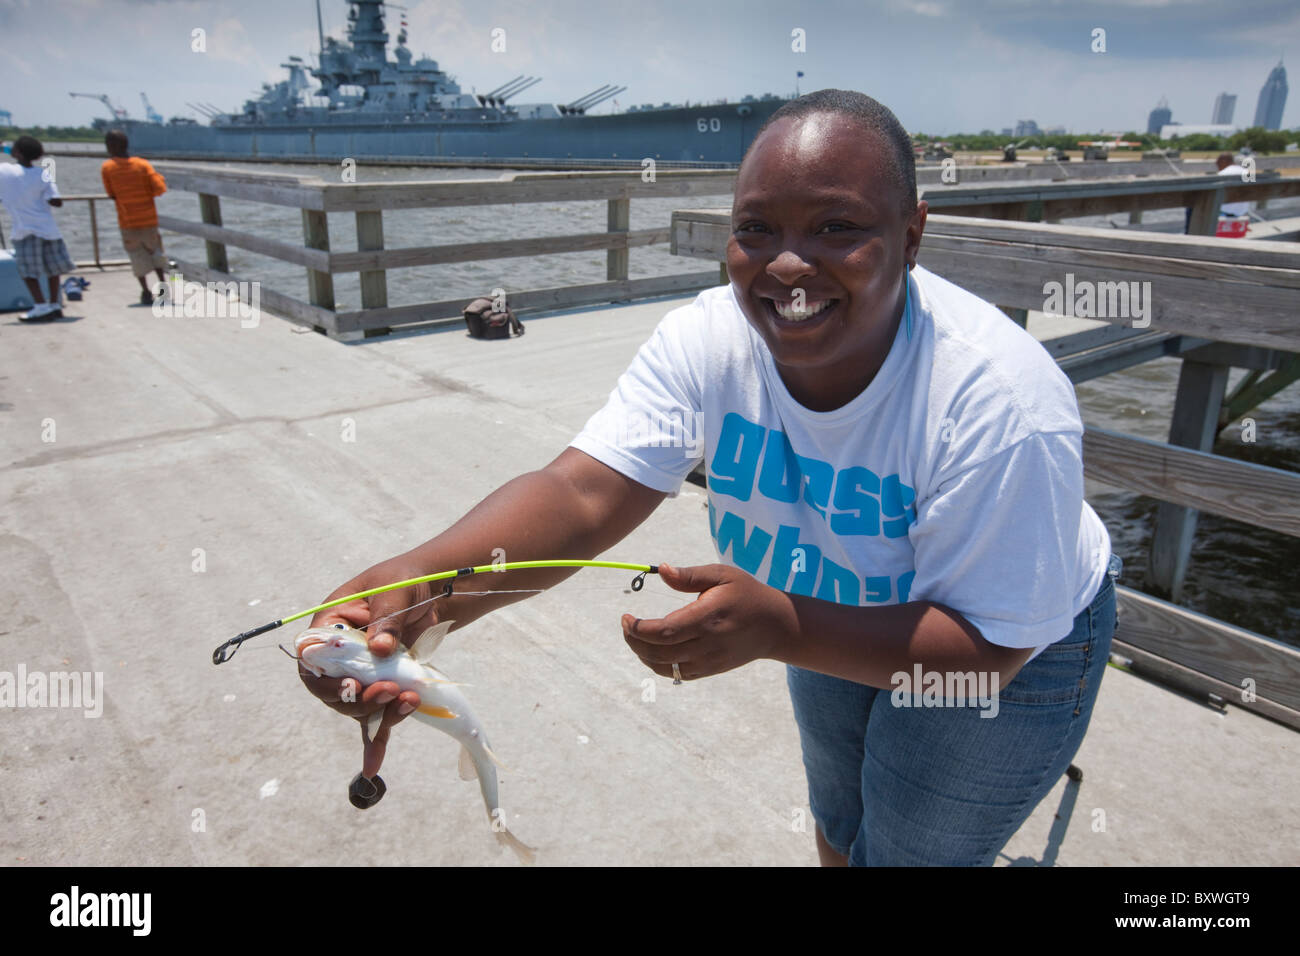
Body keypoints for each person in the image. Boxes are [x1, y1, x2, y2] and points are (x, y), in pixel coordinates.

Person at [298, 89, 1117, 867]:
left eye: (838, 227)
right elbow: (582, 497)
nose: (788, 266)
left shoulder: (1000, 401)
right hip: (819, 599)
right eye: (755, 228)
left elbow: (986, 651)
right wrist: (422, 584)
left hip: (1004, 636)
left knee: (912, 853)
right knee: (839, 818)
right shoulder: (709, 339)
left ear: (912, 236)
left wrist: (782, 630)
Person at [0, 135, 73, 321]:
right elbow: (56, 202)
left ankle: (40, 306)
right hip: (49, 230)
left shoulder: (4, 171)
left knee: (28, 272)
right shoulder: (43, 174)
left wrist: (4, 148)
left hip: (24, 230)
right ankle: (55, 305)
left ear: (16, 152)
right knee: (53, 270)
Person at [100, 129, 168, 304]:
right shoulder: (143, 165)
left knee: (136, 257)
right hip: (149, 220)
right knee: (156, 254)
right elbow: (159, 189)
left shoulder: (107, 168)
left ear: (111, 147)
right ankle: (163, 287)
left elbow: (111, 193)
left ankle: (145, 292)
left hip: (127, 221)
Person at [1215, 151, 1250, 218]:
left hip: (1224, 214)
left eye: (1218, 163)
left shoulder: (1222, 174)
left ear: (1224, 161)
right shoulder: (1245, 171)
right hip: (1242, 213)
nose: (1217, 165)